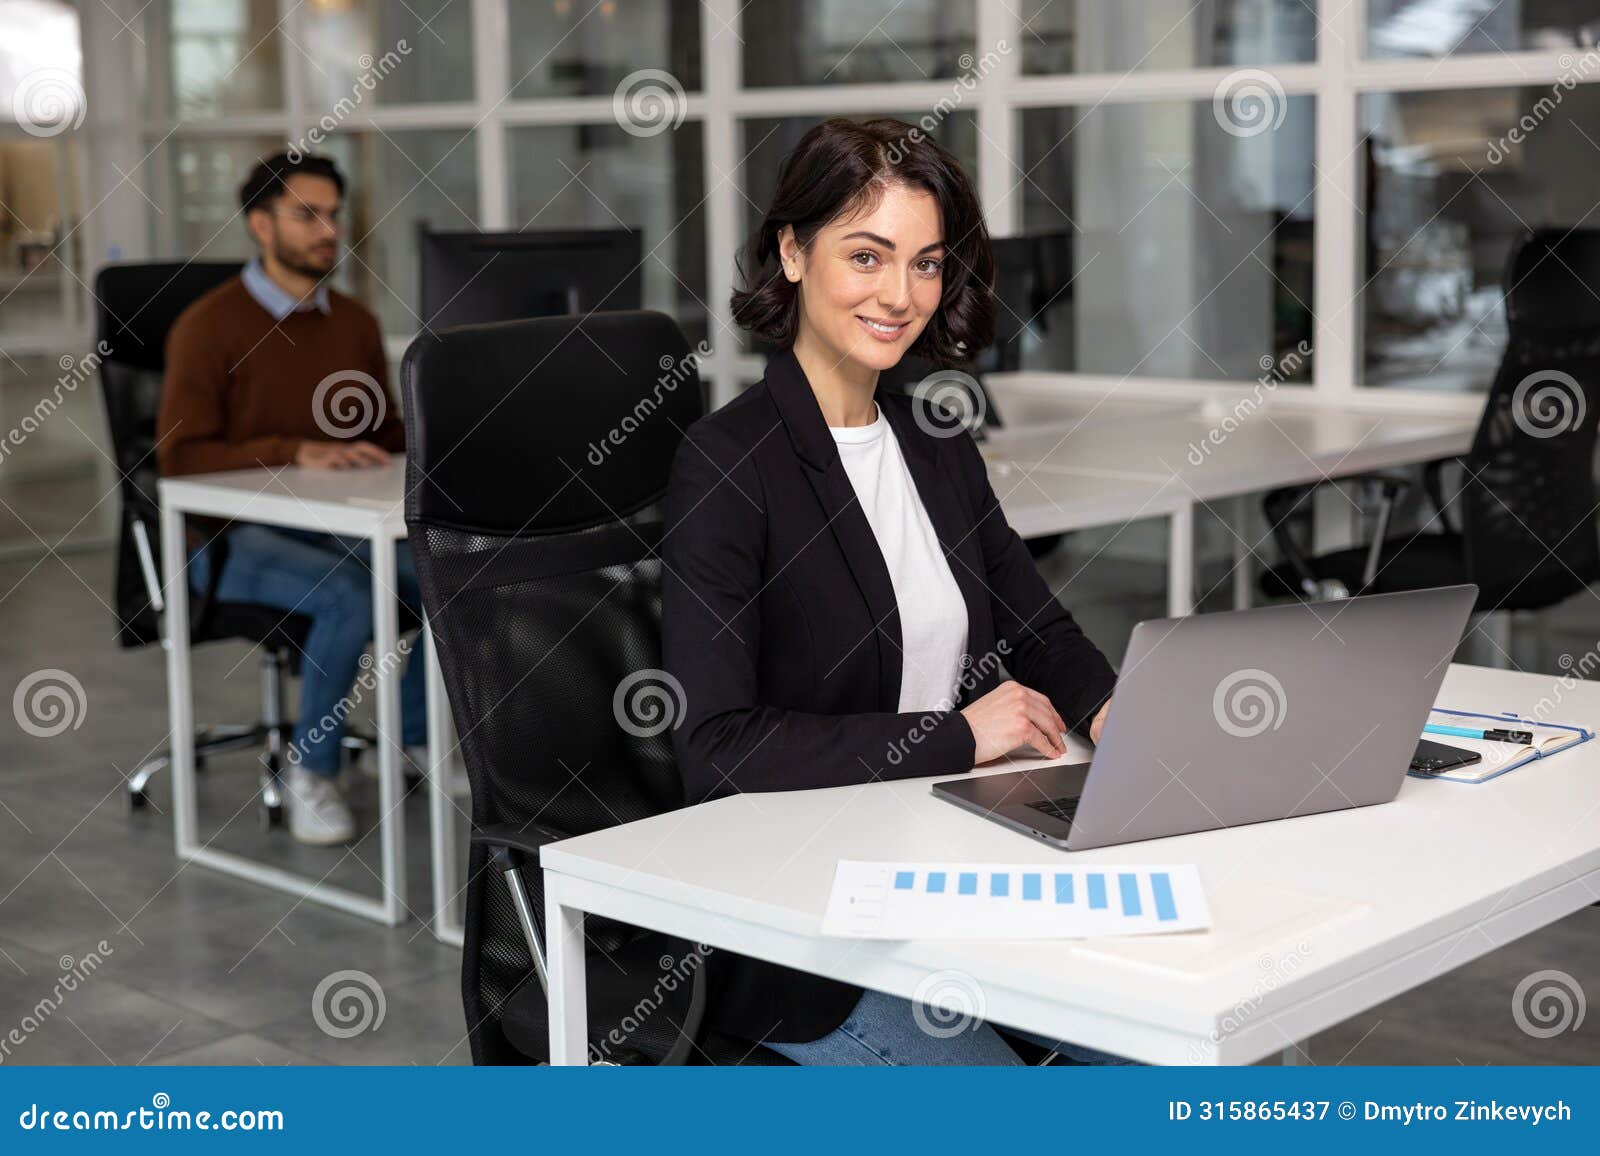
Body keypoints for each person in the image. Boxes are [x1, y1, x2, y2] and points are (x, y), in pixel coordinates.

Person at [661, 117, 1126, 1065]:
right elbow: (717, 749)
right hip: (805, 919)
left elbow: (1036, 626)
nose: (900, 295)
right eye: (866, 256)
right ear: (791, 252)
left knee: (1162, 1050)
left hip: (949, 852)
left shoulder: (934, 437)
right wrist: (958, 735)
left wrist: (1116, 711)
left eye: (924, 264)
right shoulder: (726, 465)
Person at [156, 151, 429, 846]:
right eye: (306, 215)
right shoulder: (208, 326)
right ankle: (312, 772)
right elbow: (180, 458)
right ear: (259, 224)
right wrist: (293, 449)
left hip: (331, 524)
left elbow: (388, 435)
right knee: (348, 593)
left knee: (446, 573)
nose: (326, 230)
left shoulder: (355, 324)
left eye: (333, 216)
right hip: (221, 540)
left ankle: (414, 736)